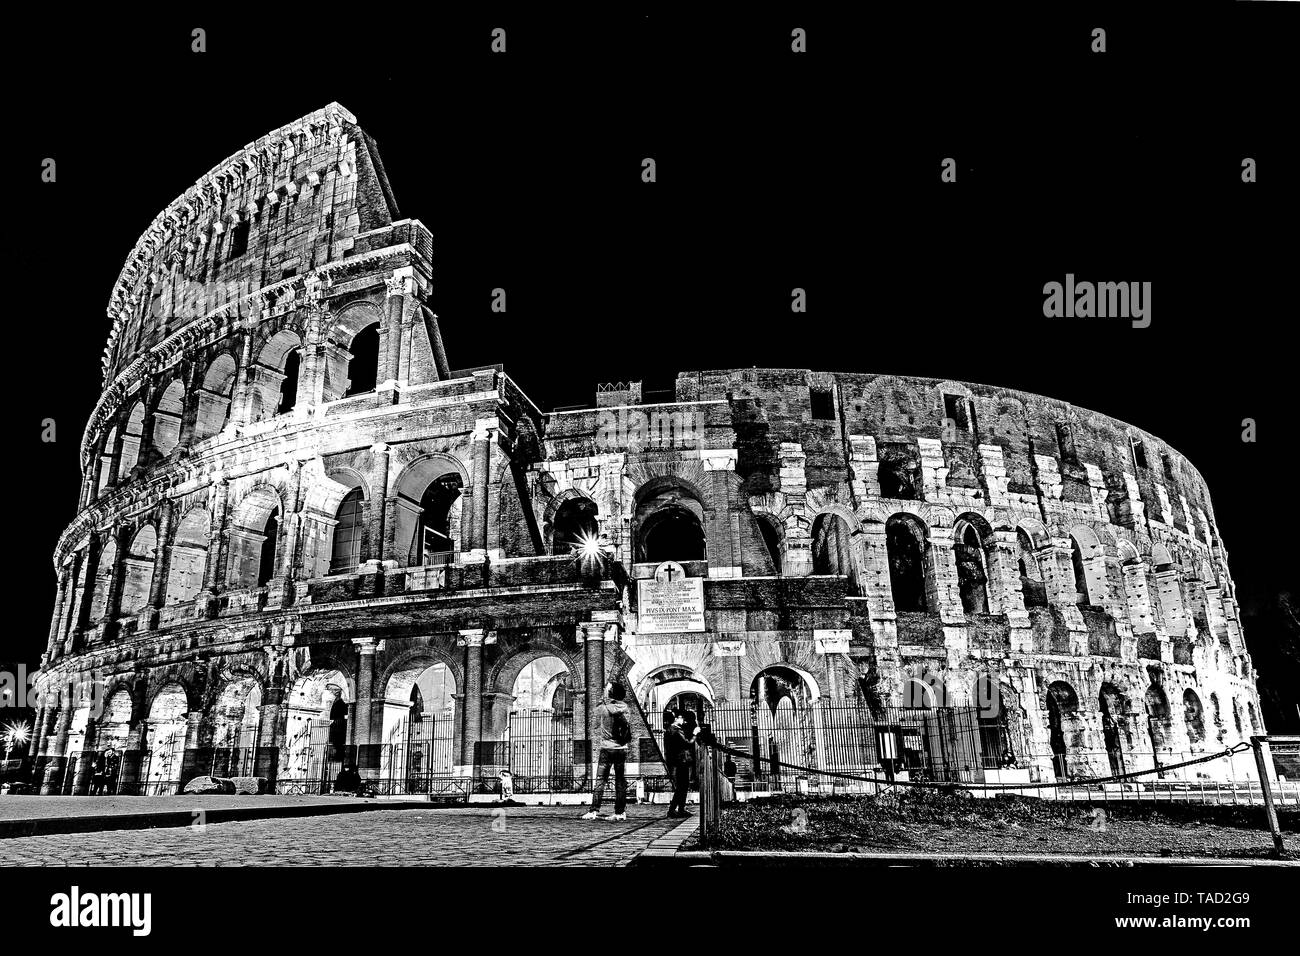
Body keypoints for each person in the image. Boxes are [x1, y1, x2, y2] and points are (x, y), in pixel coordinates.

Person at [581, 680, 632, 821]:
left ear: (611, 693)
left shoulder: (604, 708)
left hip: (607, 749)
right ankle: (620, 812)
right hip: (622, 749)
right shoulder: (626, 708)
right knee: (620, 781)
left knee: (600, 780)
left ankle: (593, 810)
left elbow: (594, 710)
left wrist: (603, 696)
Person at [663, 711, 692, 818]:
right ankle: (677, 809)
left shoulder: (668, 731)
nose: (682, 720)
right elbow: (687, 743)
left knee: (681, 786)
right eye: (680, 718)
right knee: (683, 786)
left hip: (675, 761)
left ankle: (678, 809)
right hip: (682, 761)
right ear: (675, 718)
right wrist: (695, 734)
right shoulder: (675, 730)